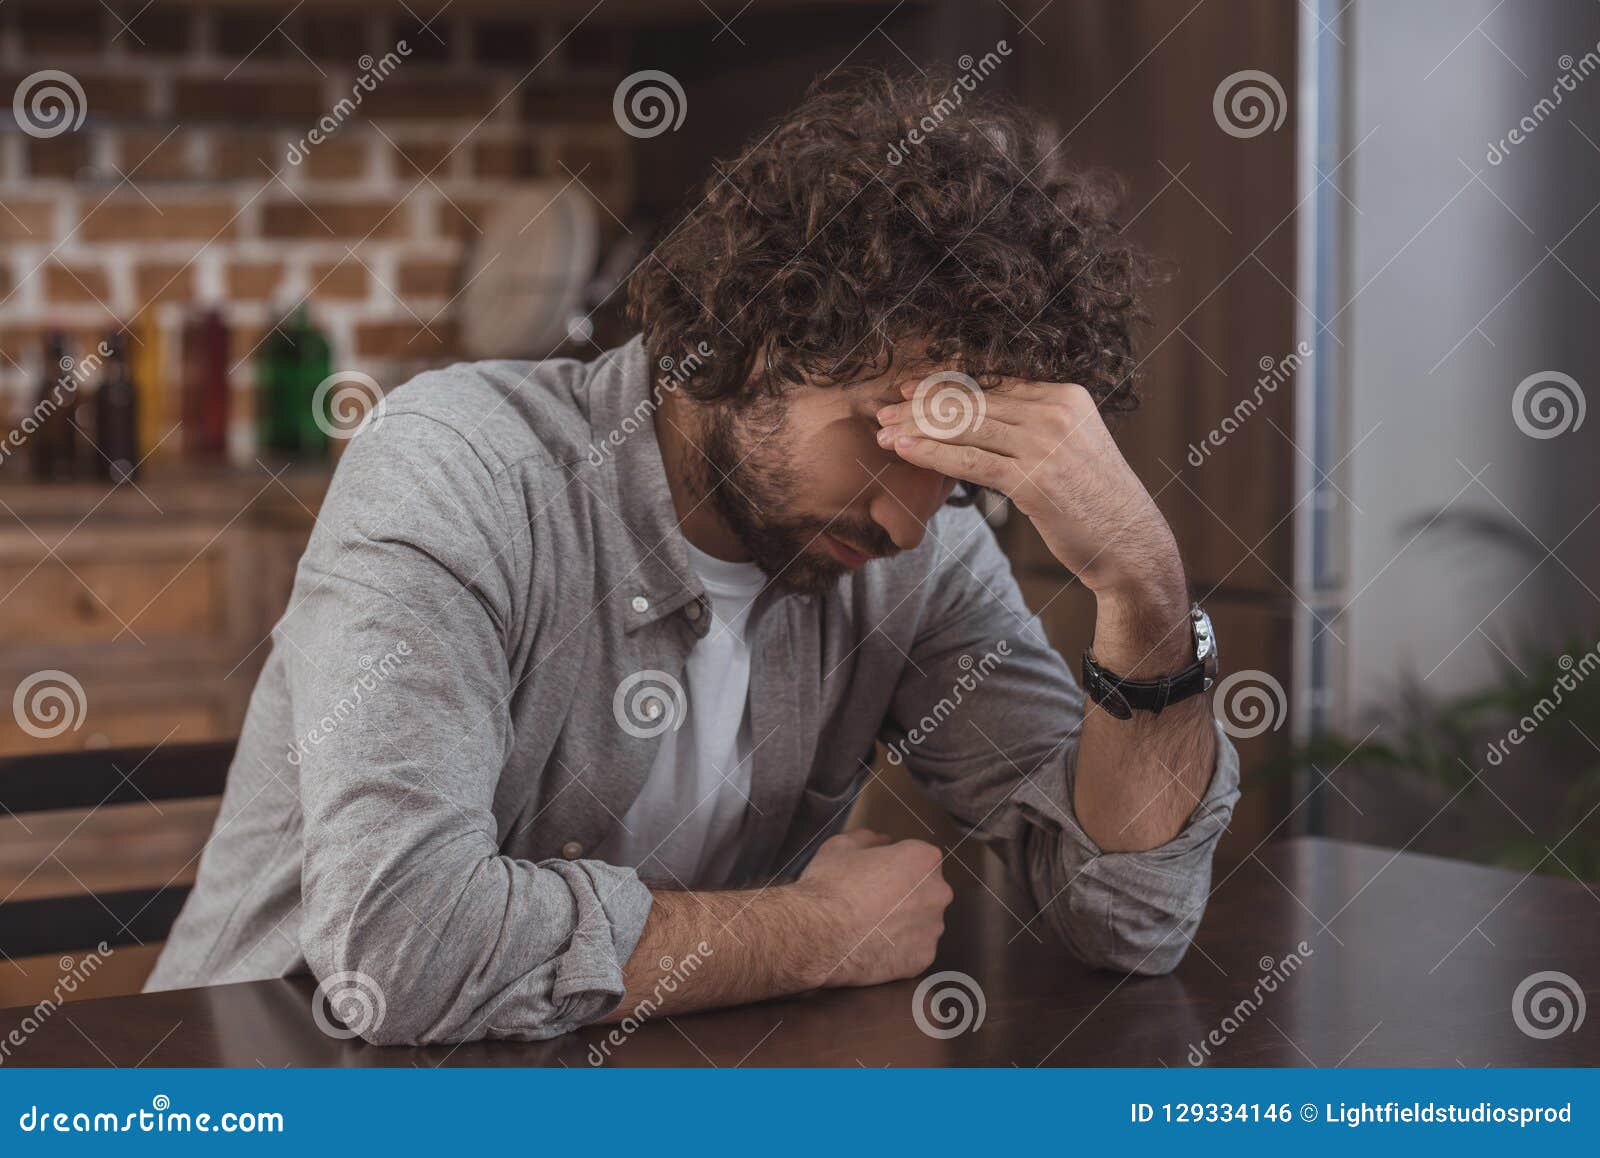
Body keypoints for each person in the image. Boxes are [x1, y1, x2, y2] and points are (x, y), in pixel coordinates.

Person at [147, 72, 1239, 1046]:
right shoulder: (461, 469)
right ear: (755, 343)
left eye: (960, 473)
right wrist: (816, 931)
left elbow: (1127, 918)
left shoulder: (922, 554)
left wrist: (1143, 587)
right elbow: (401, 957)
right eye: (882, 434)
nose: (911, 519)